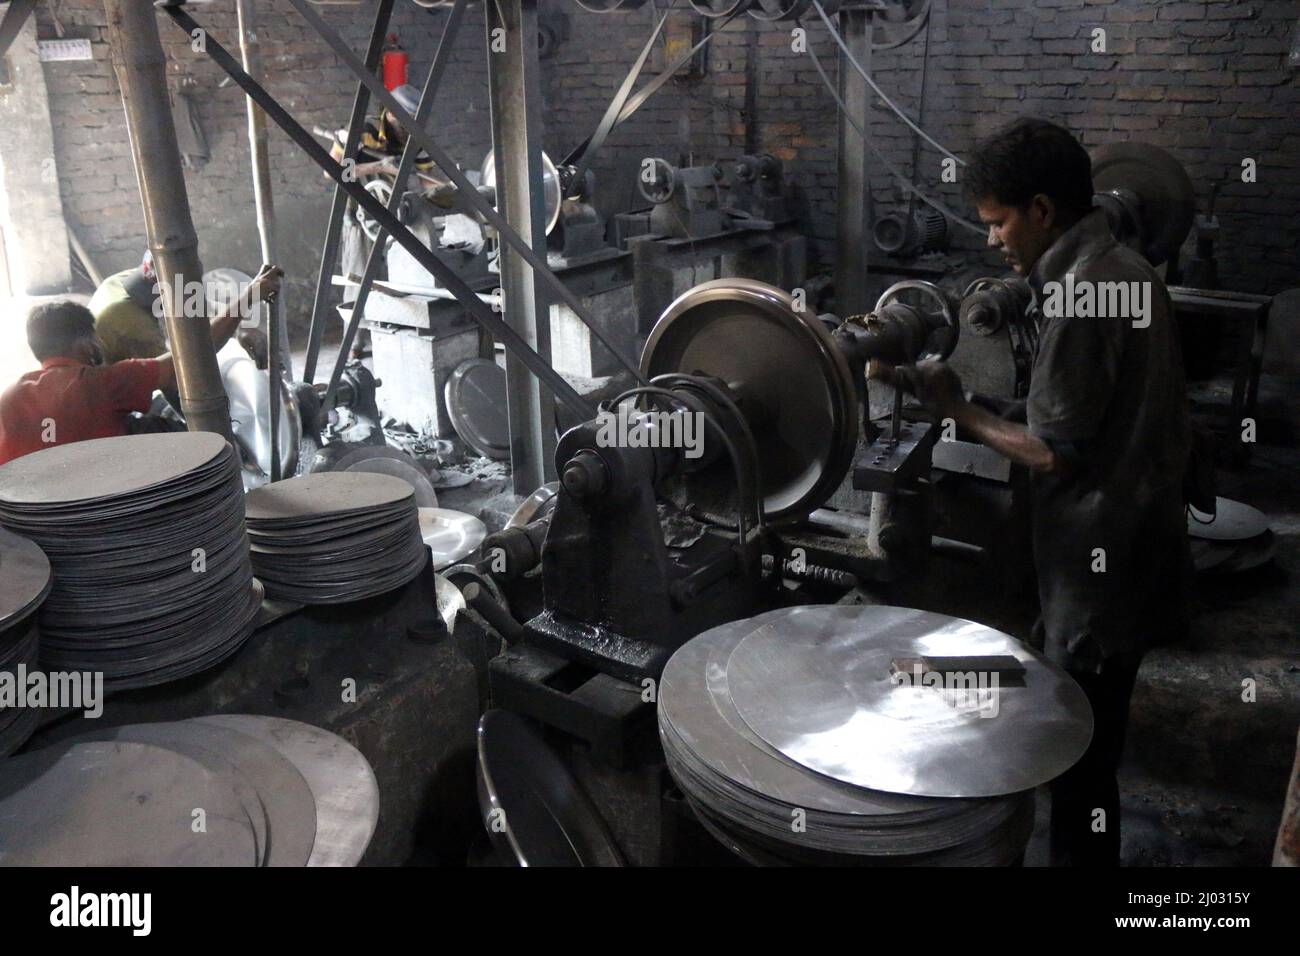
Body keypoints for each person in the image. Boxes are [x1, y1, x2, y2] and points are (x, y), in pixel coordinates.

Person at [875, 118, 1191, 866]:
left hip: (1098, 562)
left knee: (1077, 759)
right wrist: (994, 410)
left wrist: (959, 409)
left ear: (1043, 211)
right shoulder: (1126, 269)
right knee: (1091, 737)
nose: (993, 241)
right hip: (1137, 544)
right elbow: (1092, 419)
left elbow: (1055, 453)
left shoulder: (1084, 297)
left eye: (998, 221)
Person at [0, 265, 282, 467]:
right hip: (95, 510)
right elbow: (188, 359)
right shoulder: (103, 383)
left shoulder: (8, 396)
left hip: (28, 520)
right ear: (86, 344)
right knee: (177, 434)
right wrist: (249, 296)